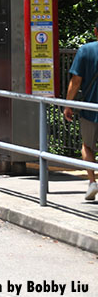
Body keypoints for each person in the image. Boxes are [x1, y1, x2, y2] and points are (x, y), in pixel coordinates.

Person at [63, 28, 98, 202]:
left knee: (87, 146)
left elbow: (76, 81)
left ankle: (92, 182)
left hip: (90, 108)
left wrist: (68, 105)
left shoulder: (86, 50)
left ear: (95, 31)